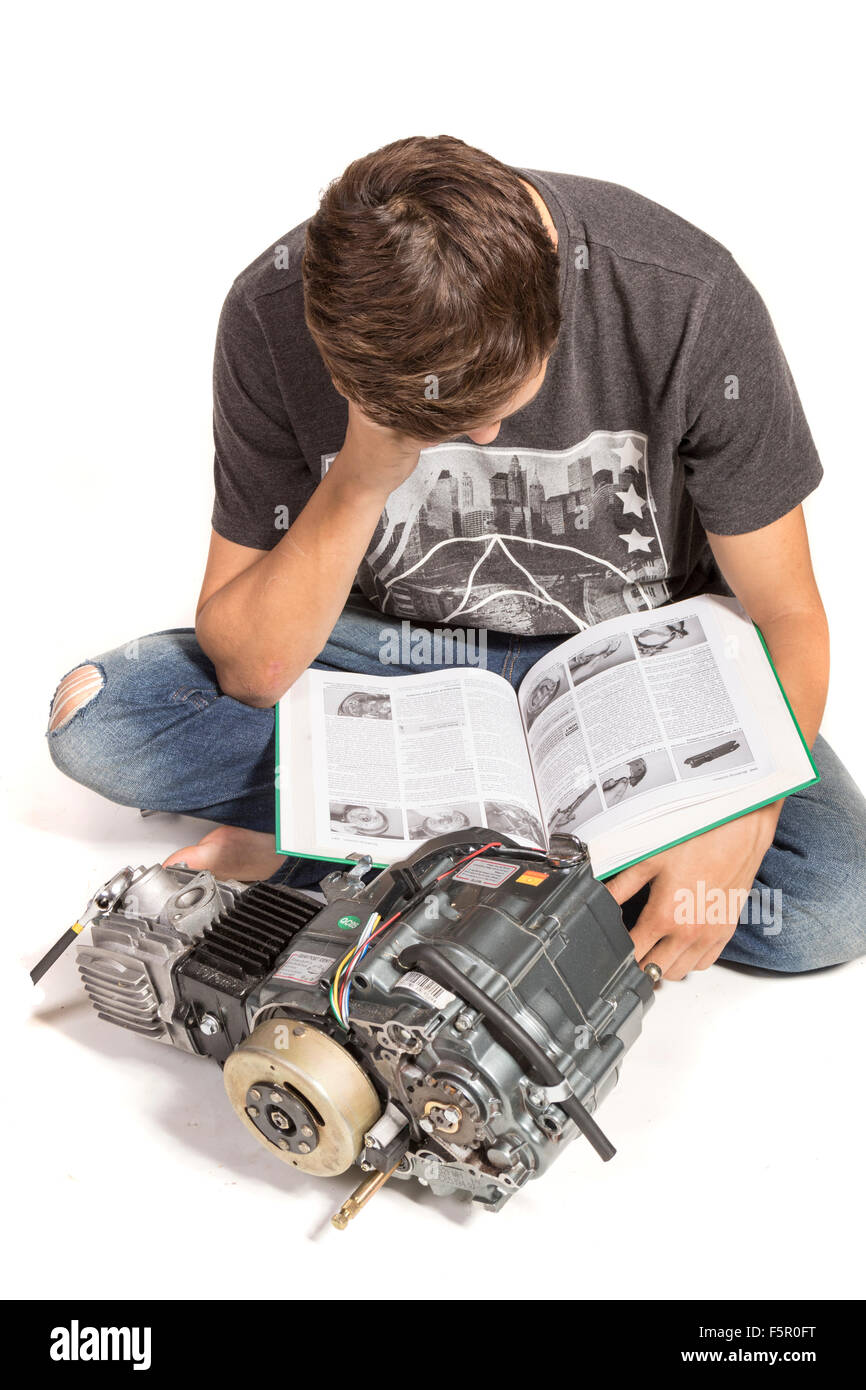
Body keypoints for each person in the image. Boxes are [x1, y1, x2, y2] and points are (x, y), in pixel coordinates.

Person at [46, 135, 866, 980]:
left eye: (501, 401)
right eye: (442, 422)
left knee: (831, 898)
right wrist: (363, 472)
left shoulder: (688, 296)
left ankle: (352, 845)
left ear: (554, 301)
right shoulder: (269, 311)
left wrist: (739, 813)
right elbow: (252, 674)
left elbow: (787, 614)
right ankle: (538, 863)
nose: (482, 436)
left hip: (630, 673)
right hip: (395, 664)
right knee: (109, 721)